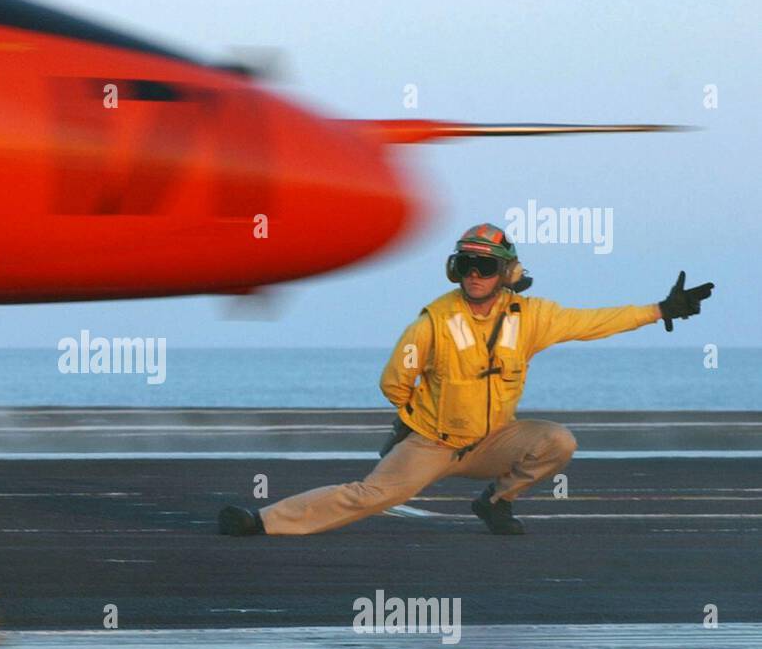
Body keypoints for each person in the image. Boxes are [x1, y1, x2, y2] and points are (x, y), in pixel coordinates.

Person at [219, 223, 714, 537]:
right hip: (432, 443)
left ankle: (495, 502)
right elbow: (394, 382)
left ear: (506, 272)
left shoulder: (531, 317)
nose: (474, 275)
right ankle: (262, 521)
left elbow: (592, 322)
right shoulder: (432, 322)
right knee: (368, 496)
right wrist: (414, 423)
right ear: (456, 269)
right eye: (467, 266)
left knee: (558, 441)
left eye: (485, 266)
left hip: (493, 440)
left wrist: (660, 310)